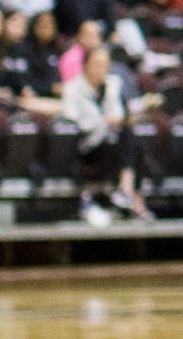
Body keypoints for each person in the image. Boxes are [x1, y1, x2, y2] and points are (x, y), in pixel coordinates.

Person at [63, 44, 150, 221]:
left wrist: (114, 120)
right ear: (85, 65)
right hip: (85, 143)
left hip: (111, 139)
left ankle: (126, 192)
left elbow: (117, 114)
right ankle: (133, 198)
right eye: (97, 64)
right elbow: (71, 120)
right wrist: (103, 122)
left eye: (105, 65)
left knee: (134, 139)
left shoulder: (113, 84)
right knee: (127, 137)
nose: (101, 69)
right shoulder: (72, 87)